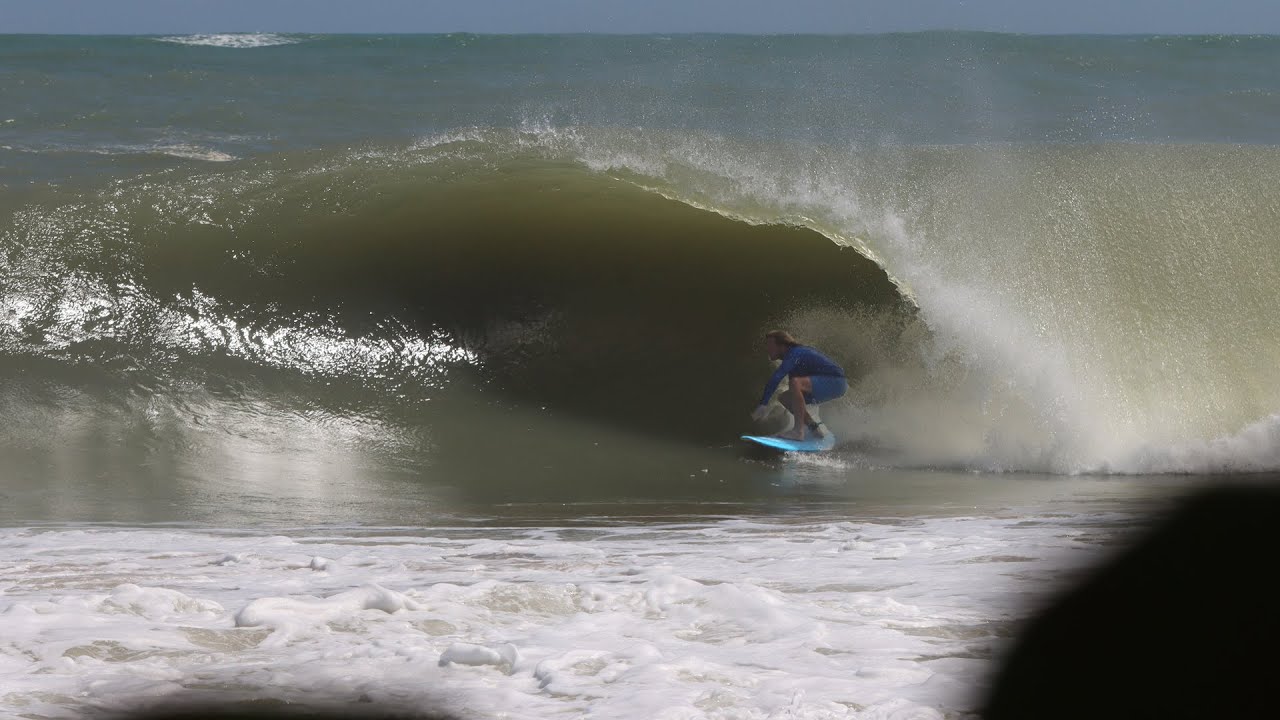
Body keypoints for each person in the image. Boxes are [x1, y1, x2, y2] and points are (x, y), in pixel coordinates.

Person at [751, 330, 847, 440]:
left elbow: (777, 377)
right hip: (825, 385)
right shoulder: (792, 358)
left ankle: (798, 431)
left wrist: (763, 403)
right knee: (785, 397)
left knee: (795, 382)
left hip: (836, 382)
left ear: (782, 345)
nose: (767, 349)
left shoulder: (795, 353)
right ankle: (814, 429)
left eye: (770, 345)